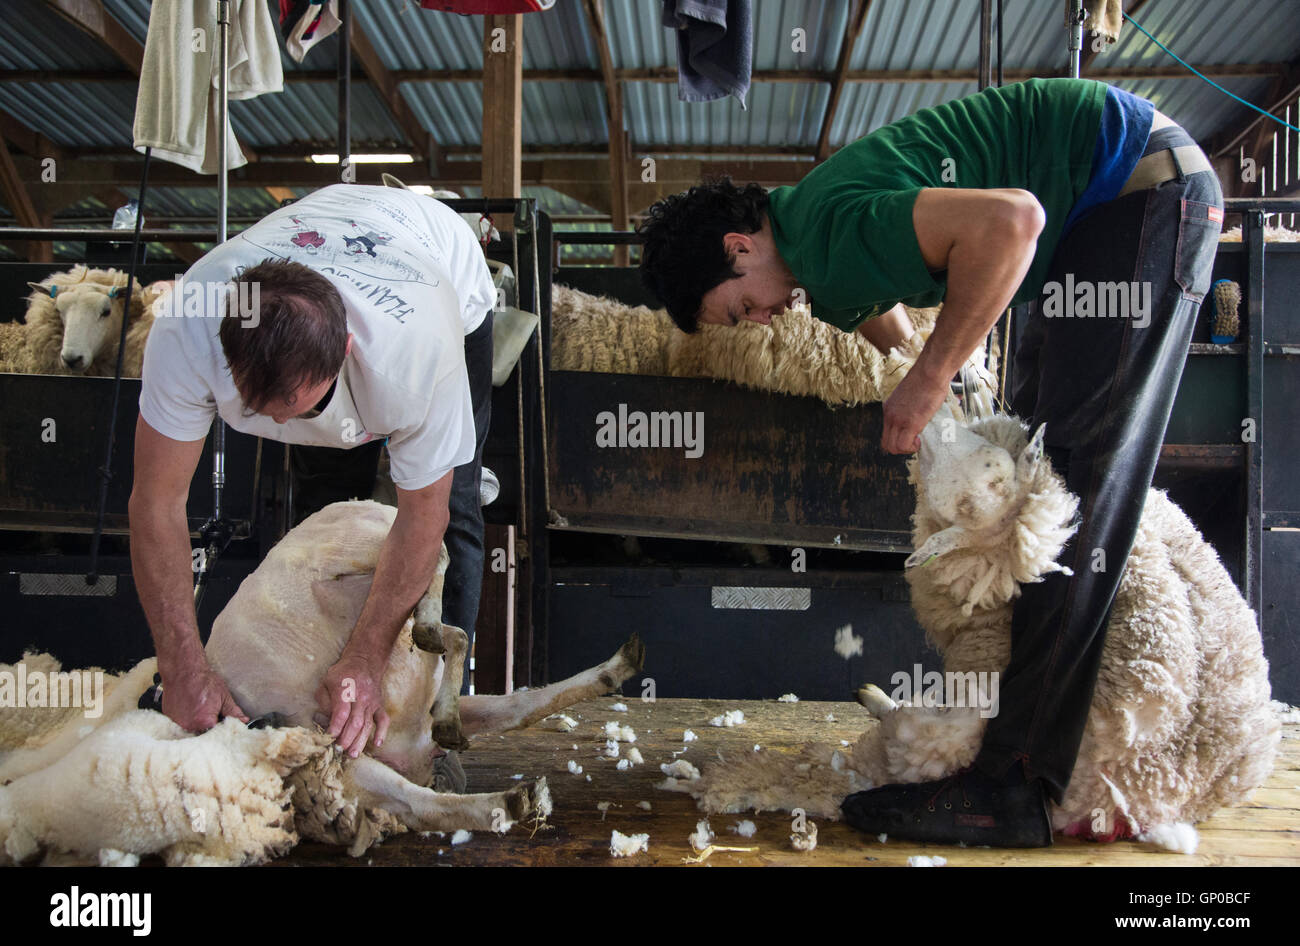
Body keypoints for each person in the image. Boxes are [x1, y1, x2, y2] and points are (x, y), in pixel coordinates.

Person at [638, 77, 1223, 846]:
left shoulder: (828, 231)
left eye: (741, 306)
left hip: (1136, 195)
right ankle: (1023, 757)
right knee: (1041, 476)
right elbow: (885, 303)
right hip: (1114, 207)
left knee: (1066, 505)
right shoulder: (817, 243)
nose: (763, 319)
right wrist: (935, 376)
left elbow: (1012, 223)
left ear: (738, 248)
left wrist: (928, 381)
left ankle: (1011, 790)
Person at [129, 183, 496, 762]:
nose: (274, 422)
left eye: (296, 409)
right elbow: (155, 504)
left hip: (439, 262)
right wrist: (181, 667)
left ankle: (434, 716)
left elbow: (426, 515)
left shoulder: (419, 355)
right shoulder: (189, 325)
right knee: (323, 501)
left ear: (345, 351)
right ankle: (316, 692)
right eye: (255, 408)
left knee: (460, 513)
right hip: (322, 255)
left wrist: (368, 658)